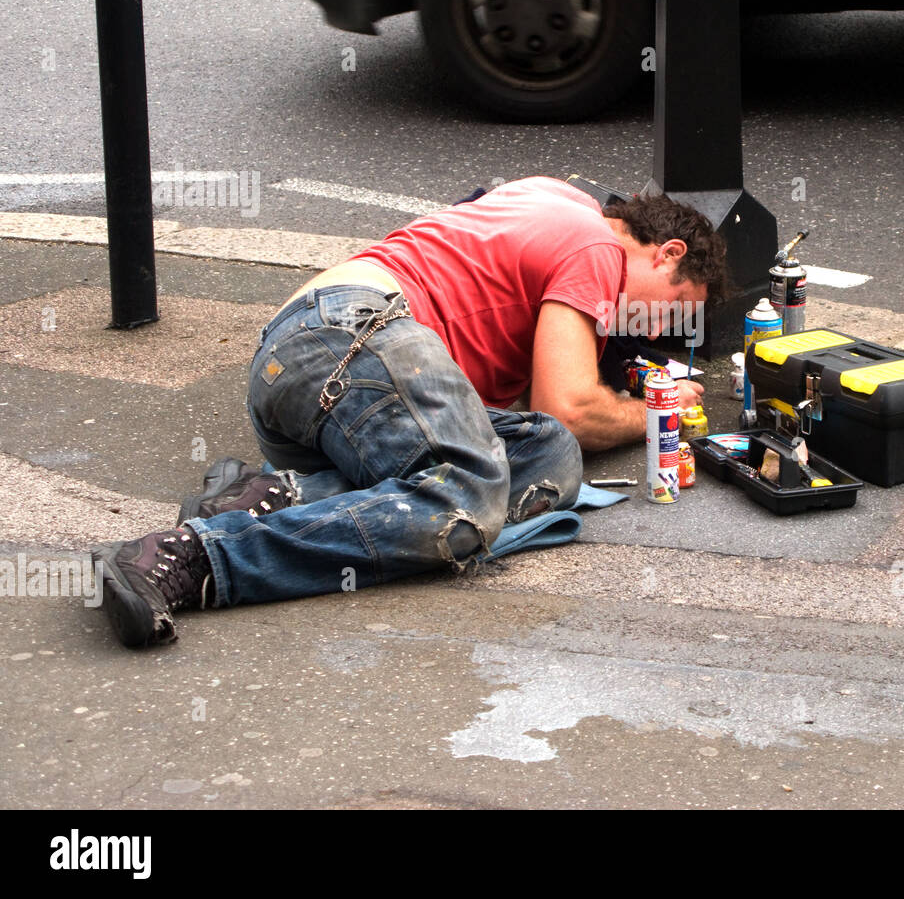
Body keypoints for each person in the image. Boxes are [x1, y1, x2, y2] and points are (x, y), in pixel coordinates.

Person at [91, 176, 727, 648]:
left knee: (545, 453)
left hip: (316, 373)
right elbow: (570, 403)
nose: (651, 328)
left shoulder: (553, 196)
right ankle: (193, 557)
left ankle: (275, 496)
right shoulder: (598, 250)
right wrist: (655, 407)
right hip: (356, 335)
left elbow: (547, 420)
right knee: (472, 495)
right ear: (666, 252)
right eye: (669, 308)